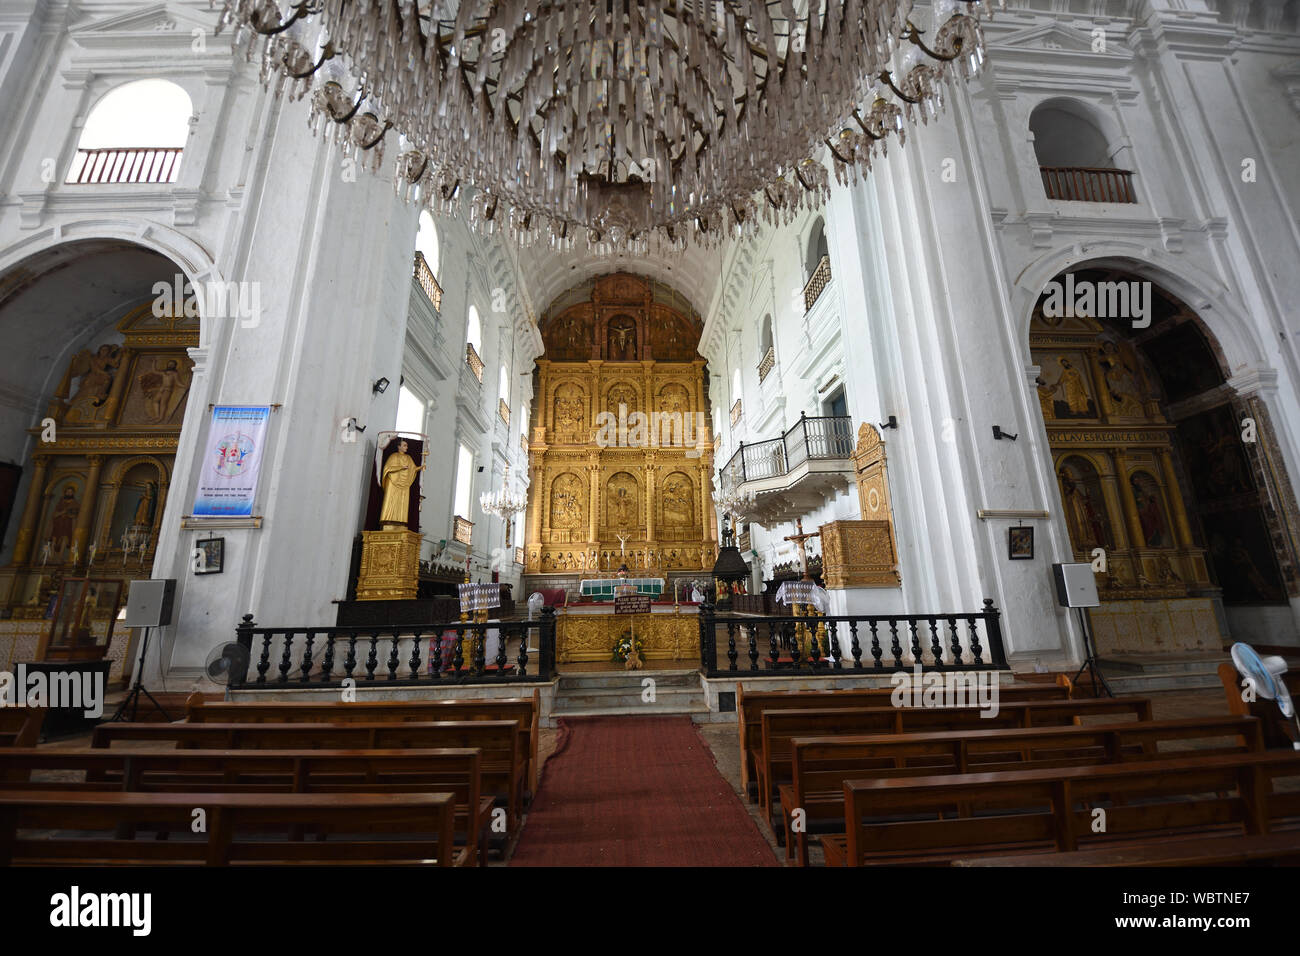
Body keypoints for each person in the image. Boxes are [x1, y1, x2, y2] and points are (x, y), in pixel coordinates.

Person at [380, 439, 424, 528]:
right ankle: (387, 520)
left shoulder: (408, 458)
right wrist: (400, 467)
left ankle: (400, 521)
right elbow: (387, 468)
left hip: (404, 484)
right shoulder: (393, 456)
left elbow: (413, 469)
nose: (406, 447)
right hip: (393, 482)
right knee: (391, 501)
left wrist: (421, 467)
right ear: (399, 446)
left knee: (402, 502)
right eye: (404, 445)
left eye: (407, 446)